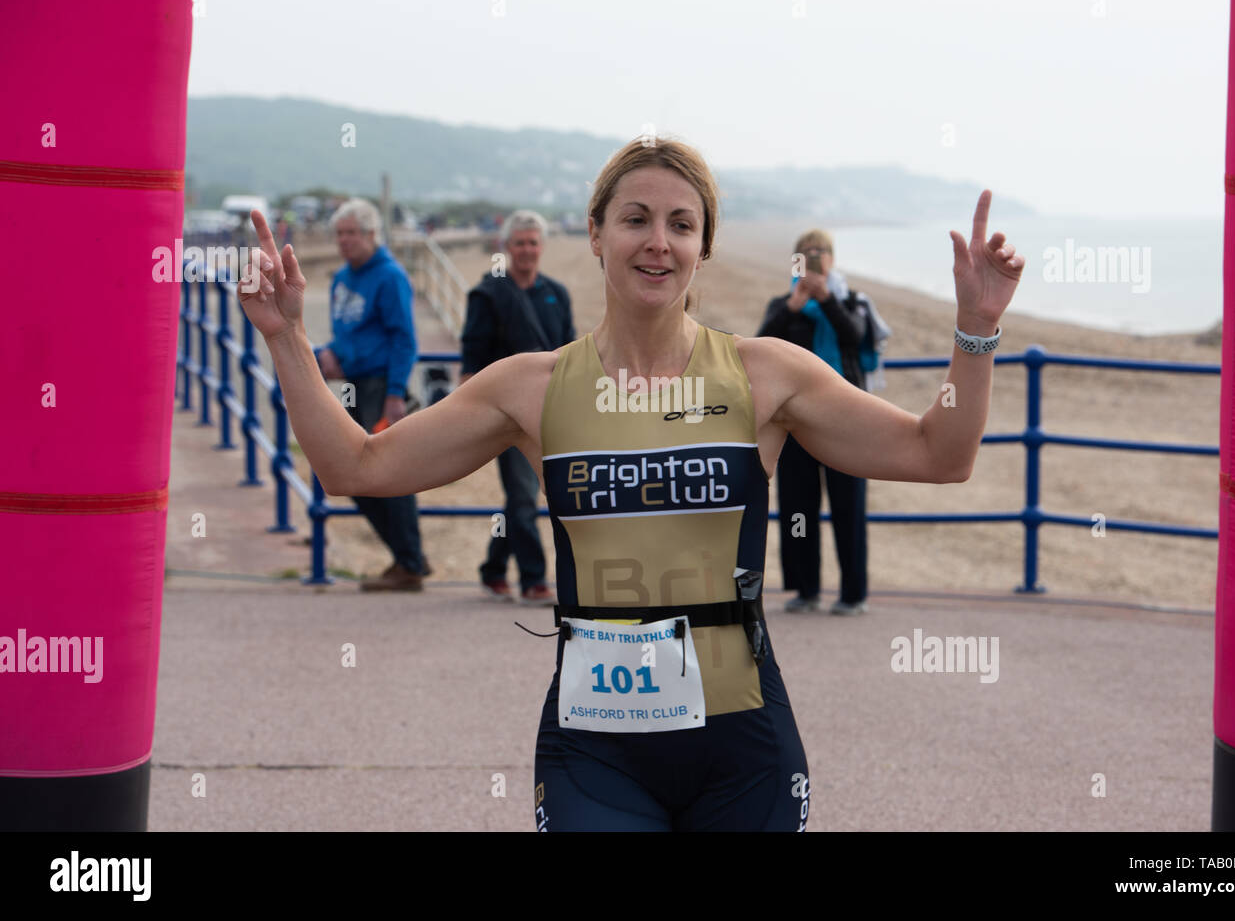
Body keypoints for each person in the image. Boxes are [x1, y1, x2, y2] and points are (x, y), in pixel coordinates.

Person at [237, 136, 1024, 831]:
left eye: (682, 224)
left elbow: (938, 451)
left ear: (703, 247)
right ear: (595, 233)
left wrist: (977, 330)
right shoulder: (532, 387)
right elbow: (355, 466)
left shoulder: (766, 375)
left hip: (743, 743)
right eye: (636, 218)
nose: (659, 242)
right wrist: (288, 338)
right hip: (595, 748)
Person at [757, 231, 891, 615]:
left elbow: (854, 334)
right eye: (805, 254)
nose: (813, 259)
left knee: (849, 507)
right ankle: (806, 589)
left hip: (849, 422)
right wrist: (794, 307)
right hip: (796, 425)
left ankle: (853, 594)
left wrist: (827, 300)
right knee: (798, 509)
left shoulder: (852, 301)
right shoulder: (783, 305)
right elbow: (764, 346)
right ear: (795, 262)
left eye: (820, 254)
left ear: (831, 260)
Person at [314, 198, 432, 591]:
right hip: (350, 385)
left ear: (371, 235)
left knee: (389, 477)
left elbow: (404, 339)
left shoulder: (389, 276)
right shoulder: (342, 278)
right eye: (339, 234)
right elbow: (351, 333)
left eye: (351, 233)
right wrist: (331, 355)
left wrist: (395, 395)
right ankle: (406, 558)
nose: (343, 241)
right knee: (349, 475)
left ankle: (409, 563)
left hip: (382, 386)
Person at [459, 210, 575, 604]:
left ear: (541, 247)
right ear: (506, 247)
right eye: (519, 242)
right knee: (524, 495)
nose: (526, 250)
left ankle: (493, 570)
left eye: (533, 242)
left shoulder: (556, 294)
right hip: (504, 415)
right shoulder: (487, 294)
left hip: (551, 412)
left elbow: (570, 353)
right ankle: (533, 580)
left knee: (521, 498)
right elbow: (471, 358)